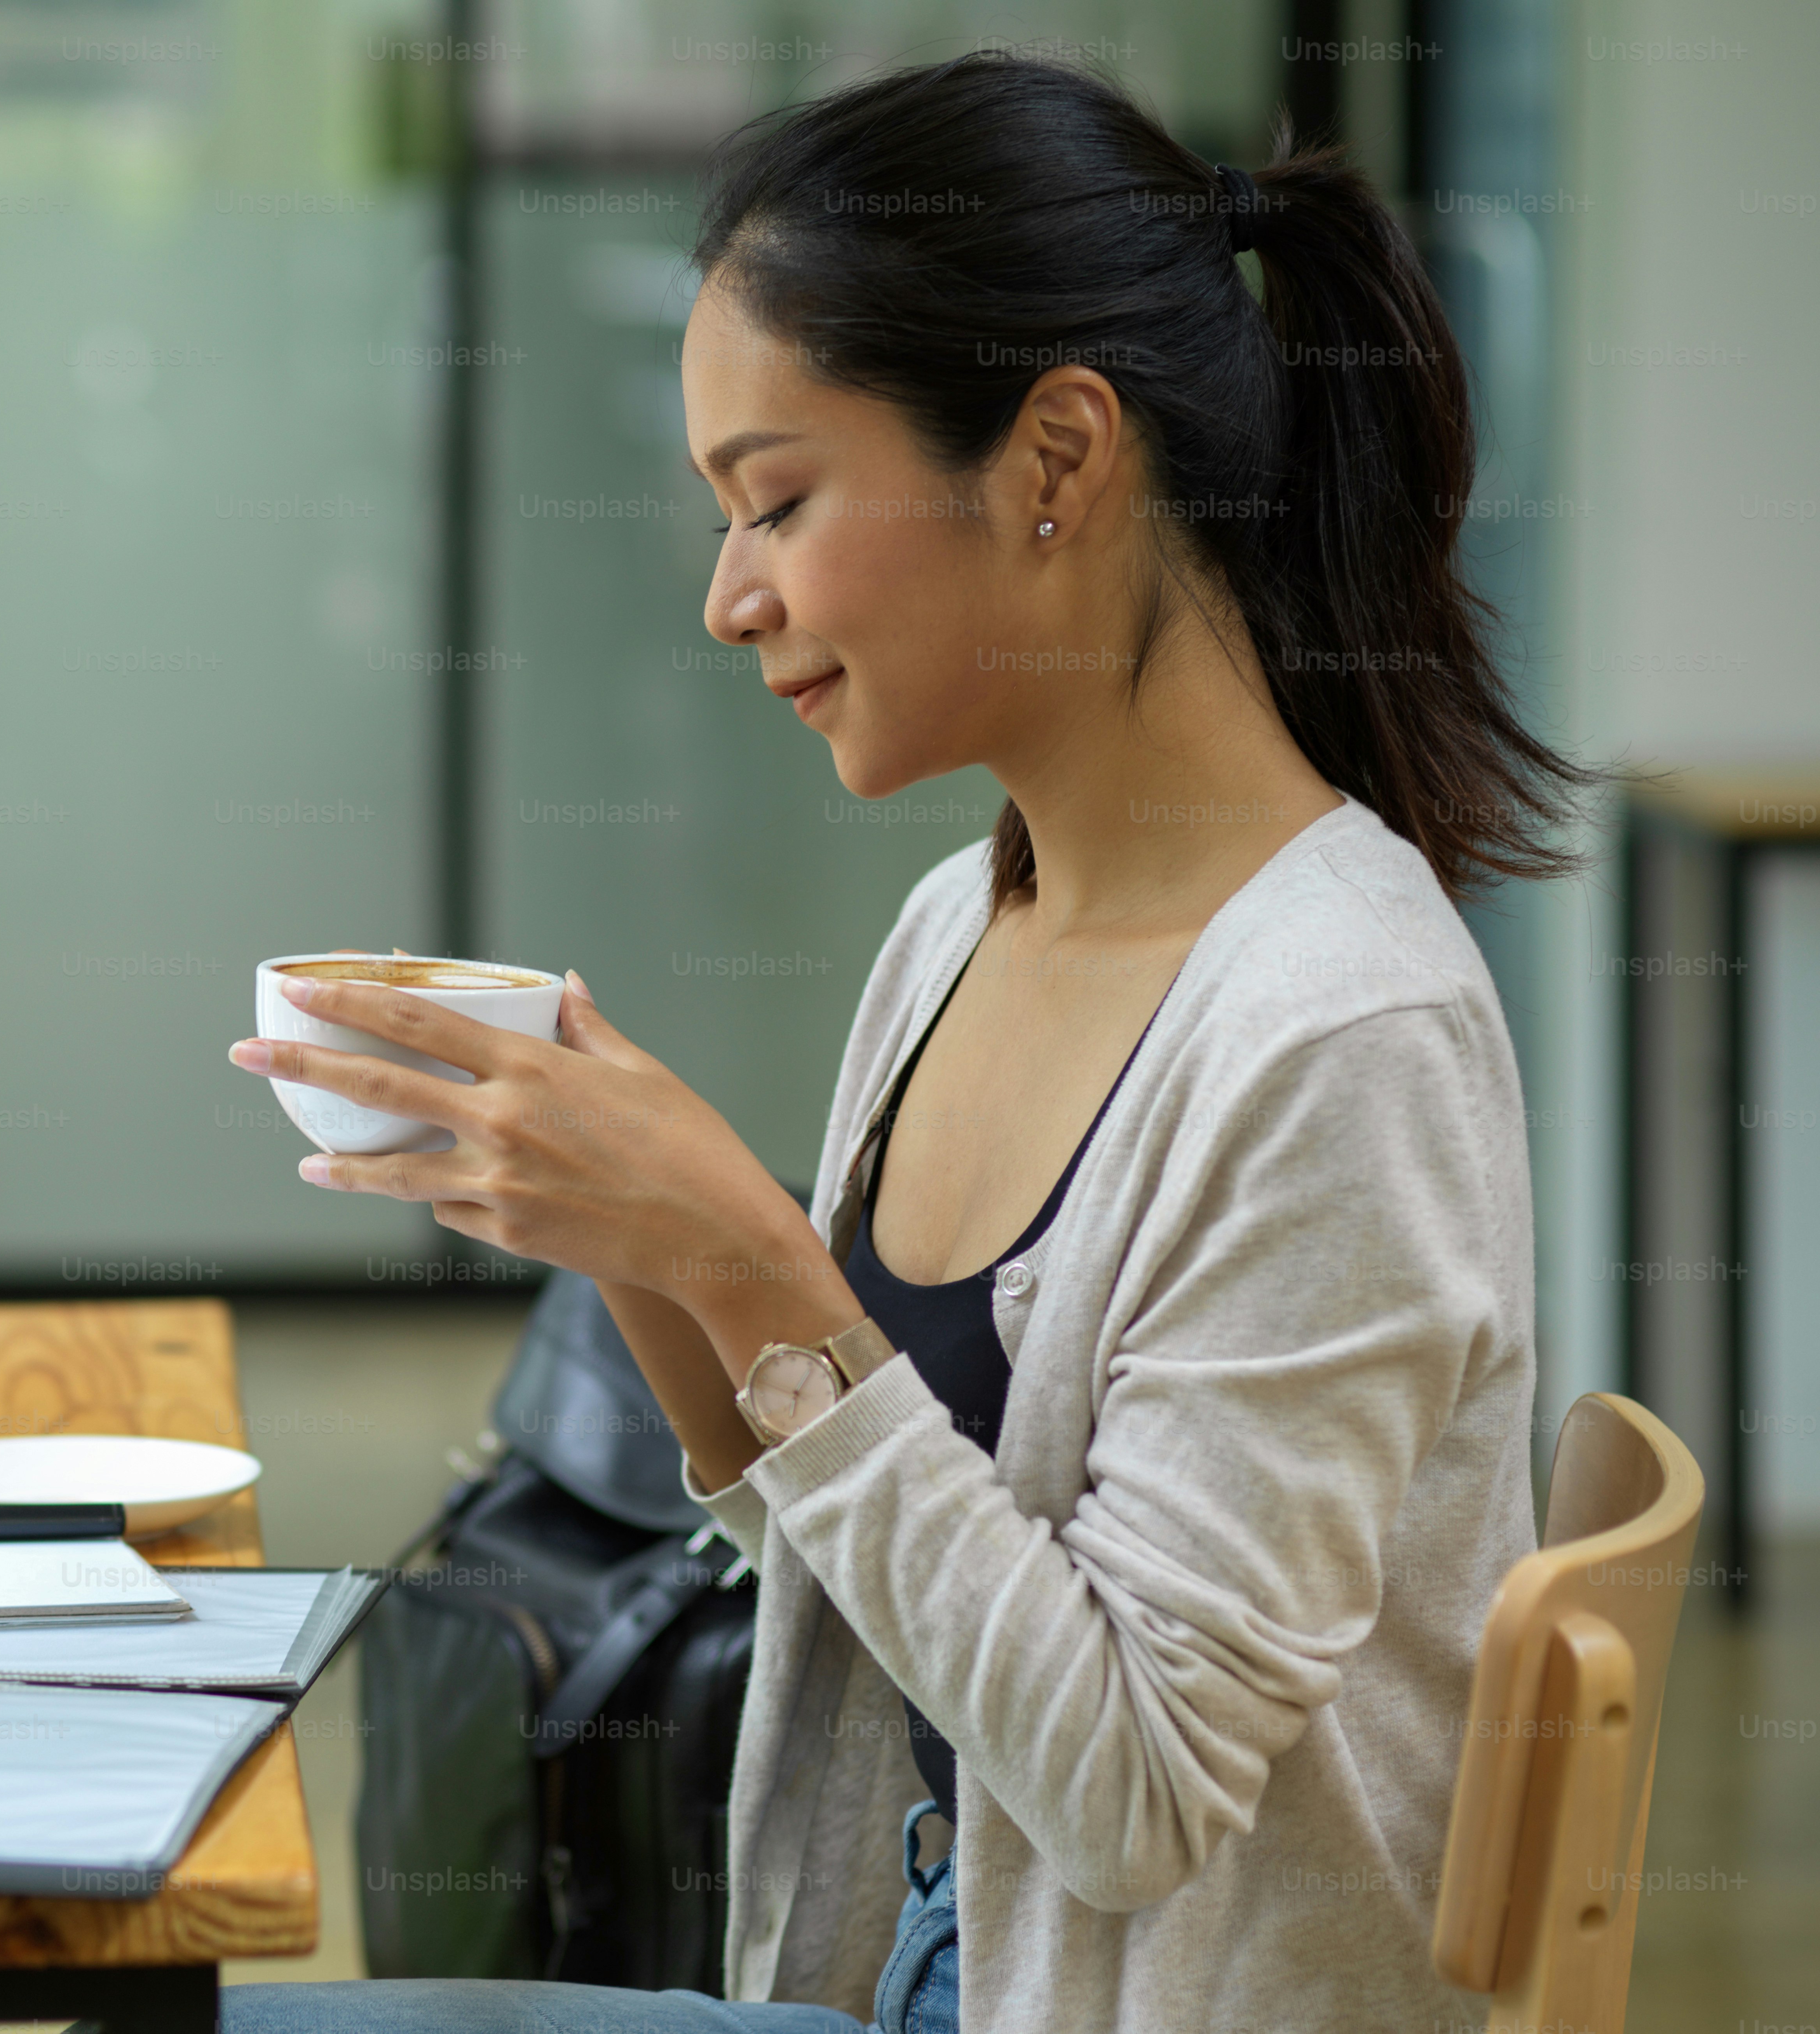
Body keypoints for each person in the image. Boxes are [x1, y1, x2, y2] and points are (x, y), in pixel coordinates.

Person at [220, 50, 1596, 2034]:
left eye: (774, 497)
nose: (725, 598)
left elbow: (1131, 1791)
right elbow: (861, 1556)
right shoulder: (967, 917)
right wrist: (634, 1235)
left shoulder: (1337, 1031)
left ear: (1054, 457)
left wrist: (743, 1254)